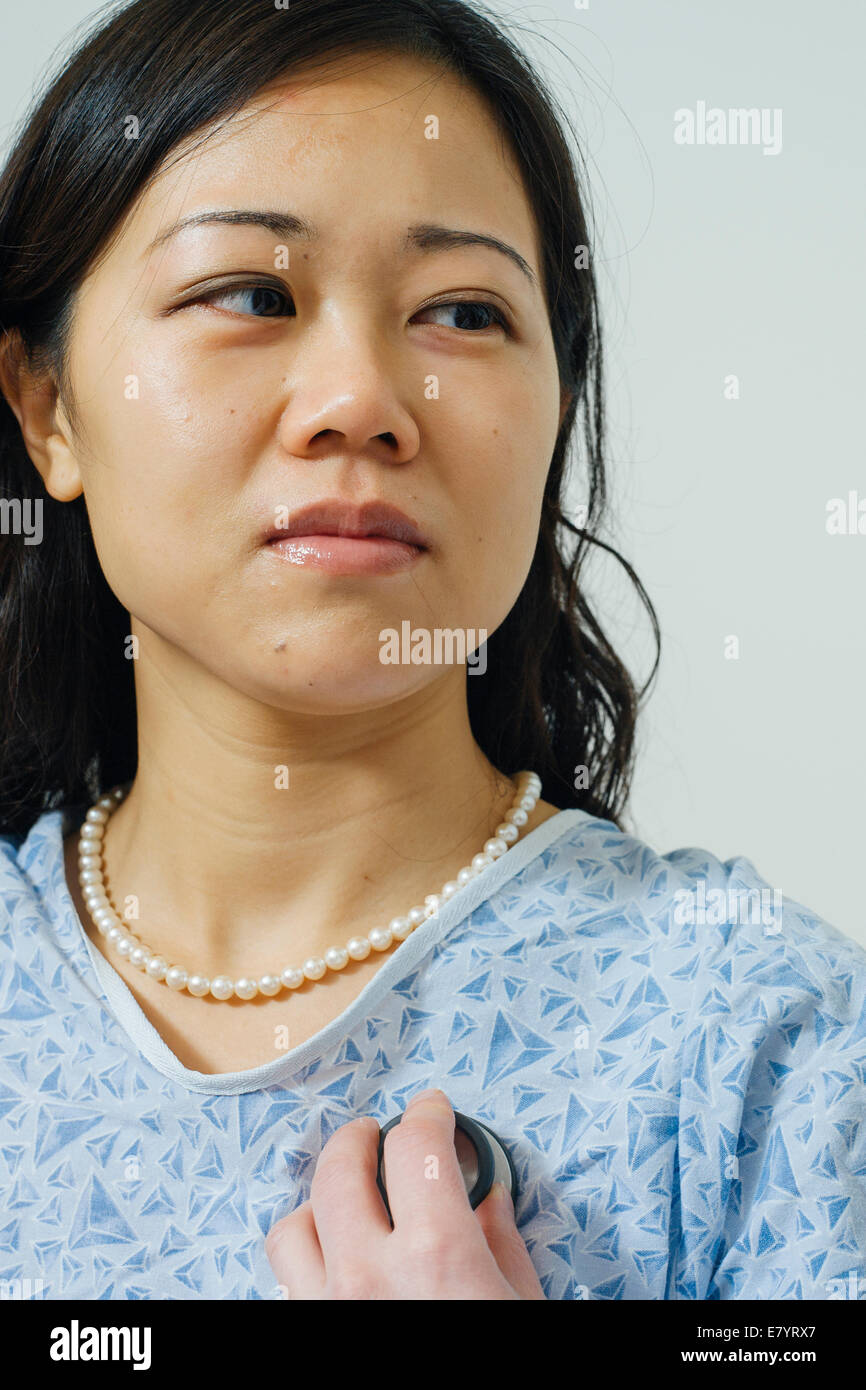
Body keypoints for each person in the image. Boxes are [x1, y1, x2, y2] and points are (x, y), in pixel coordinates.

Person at [0, 0, 863, 1303]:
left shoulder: (774, 1046)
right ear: (47, 407)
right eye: (249, 292)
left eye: (461, 314)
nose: (359, 400)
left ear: (555, 408)